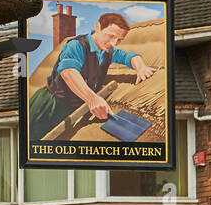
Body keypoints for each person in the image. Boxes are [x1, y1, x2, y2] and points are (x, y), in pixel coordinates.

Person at [28, 12, 157, 141]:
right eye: (111, 36)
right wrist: (92, 99)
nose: (114, 43)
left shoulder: (108, 51)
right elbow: (68, 72)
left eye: (119, 40)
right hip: (49, 106)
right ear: (98, 27)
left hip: (74, 108)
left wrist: (141, 67)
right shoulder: (76, 45)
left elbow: (130, 56)